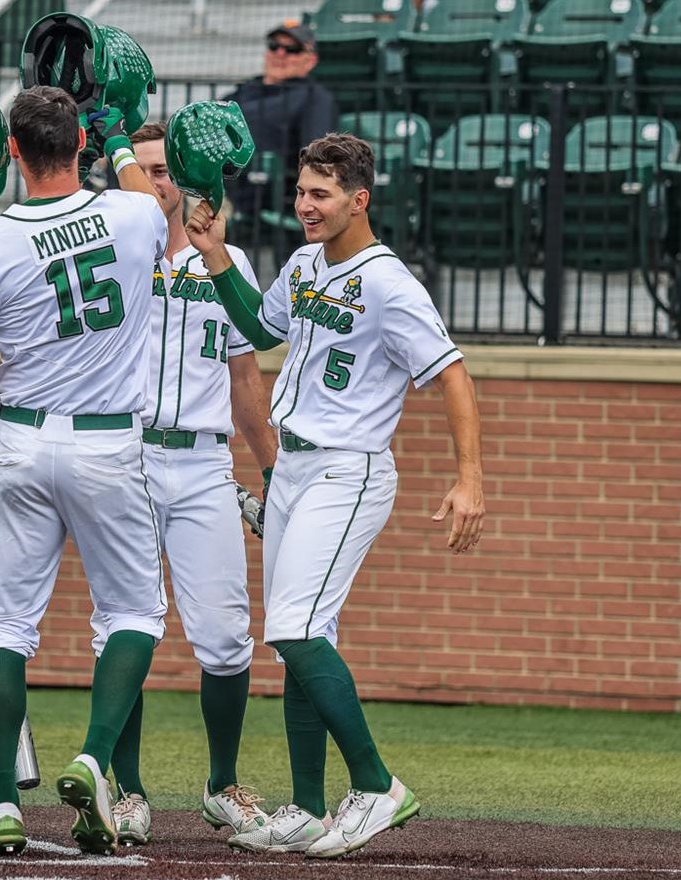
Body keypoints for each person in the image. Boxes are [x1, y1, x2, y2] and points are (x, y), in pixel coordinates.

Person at [185, 133, 486, 859]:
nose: (305, 205)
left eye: (320, 193)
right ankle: (307, 809)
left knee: (294, 627)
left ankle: (377, 785)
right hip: (293, 468)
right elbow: (260, 330)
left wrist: (469, 478)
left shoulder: (388, 282)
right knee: (299, 639)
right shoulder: (305, 262)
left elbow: (452, 374)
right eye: (300, 191)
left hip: (347, 472)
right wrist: (216, 255)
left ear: (359, 199)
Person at [0, 86, 168, 857]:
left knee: (3, 626)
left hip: (23, 439)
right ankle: (93, 760)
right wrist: (118, 138)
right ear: (79, 144)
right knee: (133, 614)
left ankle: (3, 804)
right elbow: (147, 200)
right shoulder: (132, 214)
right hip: (108, 444)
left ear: (12, 152)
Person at [97, 121, 278, 848]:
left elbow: (245, 377)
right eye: (141, 168)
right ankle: (128, 790)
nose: (156, 179)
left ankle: (221, 784)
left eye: (165, 168)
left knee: (228, 639)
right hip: (128, 455)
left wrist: (272, 471)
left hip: (204, 464)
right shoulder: (115, 253)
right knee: (123, 627)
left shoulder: (226, 259)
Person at [221, 21, 338, 220]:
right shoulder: (244, 91)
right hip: (217, 180)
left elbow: (316, 155)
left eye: (292, 49)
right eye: (274, 46)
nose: (280, 54)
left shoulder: (314, 98)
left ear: (310, 60)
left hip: (263, 195)